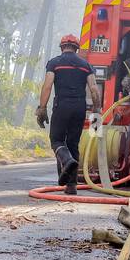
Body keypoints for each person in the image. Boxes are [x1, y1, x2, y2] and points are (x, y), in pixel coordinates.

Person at [37, 34, 100, 195]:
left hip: (62, 105)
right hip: (79, 107)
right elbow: (94, 89)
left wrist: (42, 109)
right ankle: (71, 186)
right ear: (76, 48)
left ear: (61, 47)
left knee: (57, 140)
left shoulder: (54, 63)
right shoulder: (86, 65)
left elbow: (47, 86)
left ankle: (66, 160)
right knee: (72, 144)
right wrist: (96, 112)